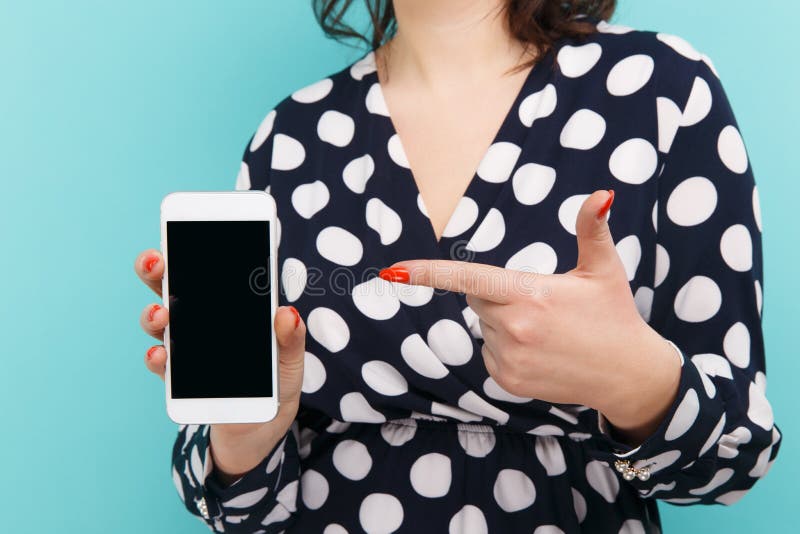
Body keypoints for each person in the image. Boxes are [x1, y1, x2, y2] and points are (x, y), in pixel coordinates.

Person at [135, 1, 781, 532]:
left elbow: (733, 458)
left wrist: (631, 380)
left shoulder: (664, 91)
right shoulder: (289, 138)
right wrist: (248, 435)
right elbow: (241, 510)